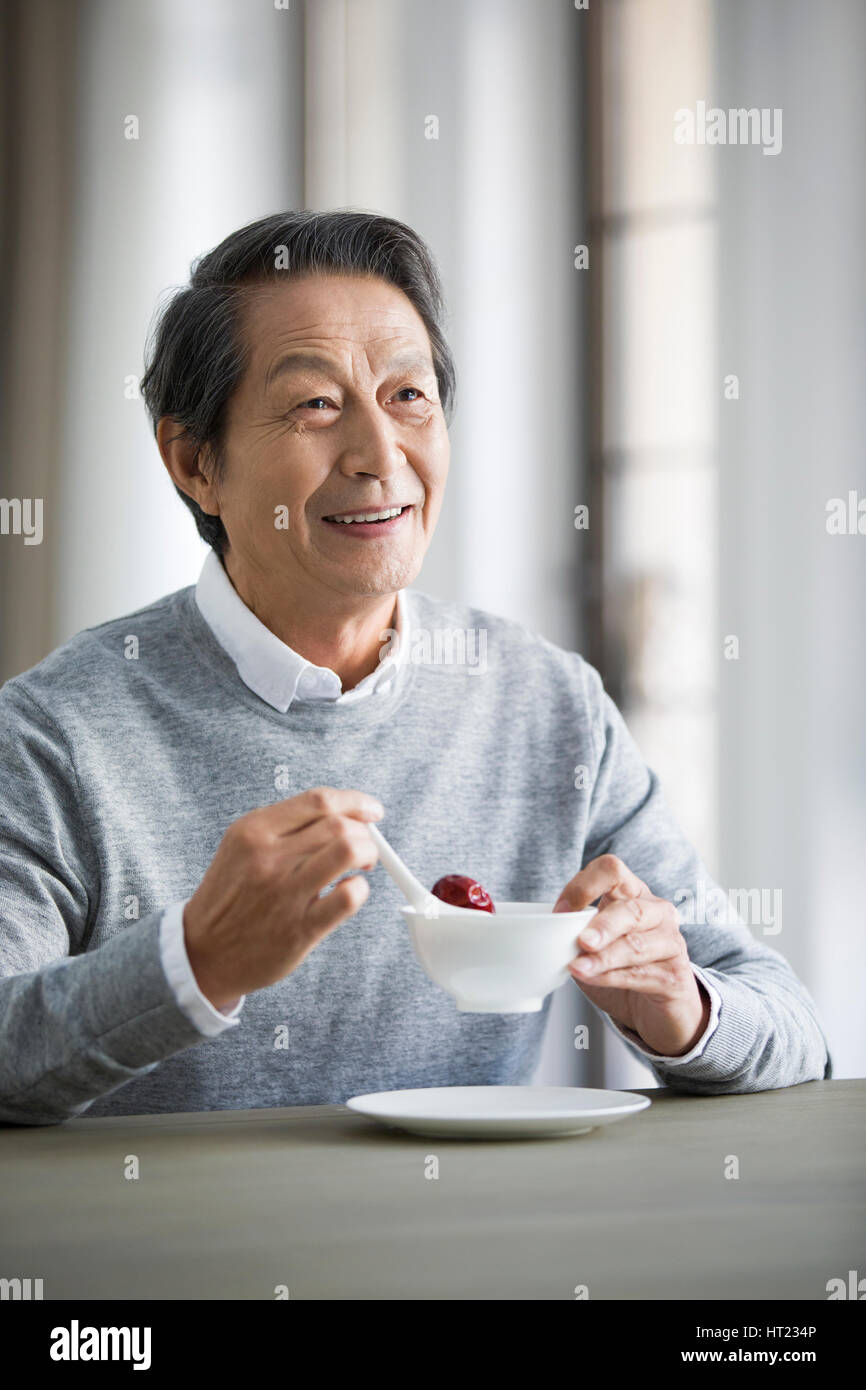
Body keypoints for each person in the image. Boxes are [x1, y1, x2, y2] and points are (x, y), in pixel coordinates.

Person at [0, 211, 831, 1125]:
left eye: (409, 396)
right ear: (197, 464)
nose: (378, 455)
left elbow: (794, 1027)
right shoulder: (56, 734)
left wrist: (685, 1010)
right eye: (317, 404)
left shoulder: (549, 706)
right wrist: (194, 960)